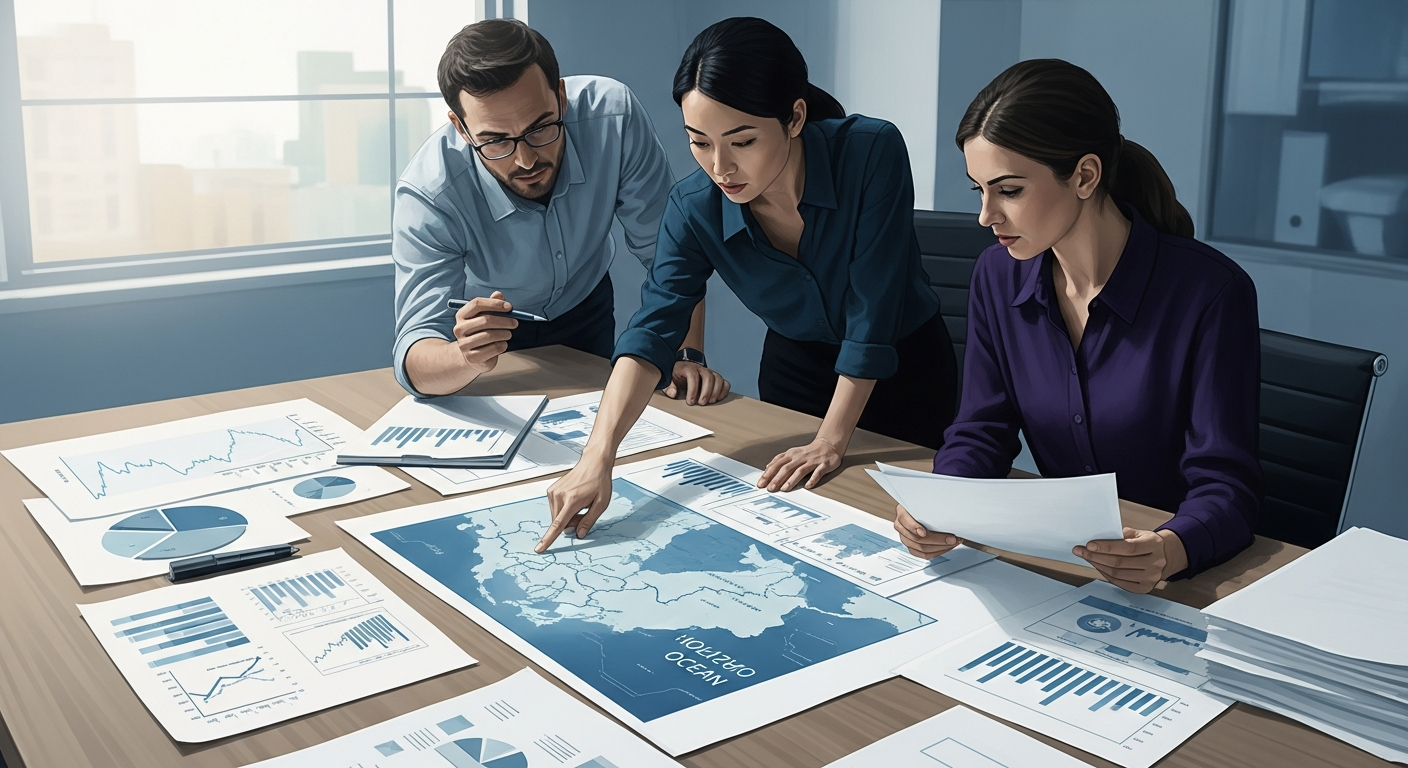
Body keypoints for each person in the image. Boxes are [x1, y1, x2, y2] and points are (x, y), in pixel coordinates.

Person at [536, 17, 959, 553]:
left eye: (742, 141)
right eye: (699, 142)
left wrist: (831, 440)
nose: (721, 167)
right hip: (796, 375)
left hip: (906, 374)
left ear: (795, 117)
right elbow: (652, 329)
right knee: (805, 537)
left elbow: (873, 308)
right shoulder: (693, 207)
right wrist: (597, 458)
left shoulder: (871, 152)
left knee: (921, 540)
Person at [894, 59, 1263, 593]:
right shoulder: (997, 276)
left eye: (1009, 190)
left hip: (1180, 581)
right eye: (979, 190)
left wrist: (1171, 548)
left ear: (1085, 176)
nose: (986, 216)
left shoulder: (1211, 292)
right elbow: (981, 428)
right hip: (1068, 567)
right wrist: (940, 500)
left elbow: (1228, 484)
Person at [392, 18, 728, 404]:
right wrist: (462, 356)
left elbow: (673, 256)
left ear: (561, 97)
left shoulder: (614, 119)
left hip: (585, 305)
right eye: (496, 141)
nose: (525, 159)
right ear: (461, 128)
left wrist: (685, 354)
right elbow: (414, 353)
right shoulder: (429, 193)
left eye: (540, 128)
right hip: (487, 332)